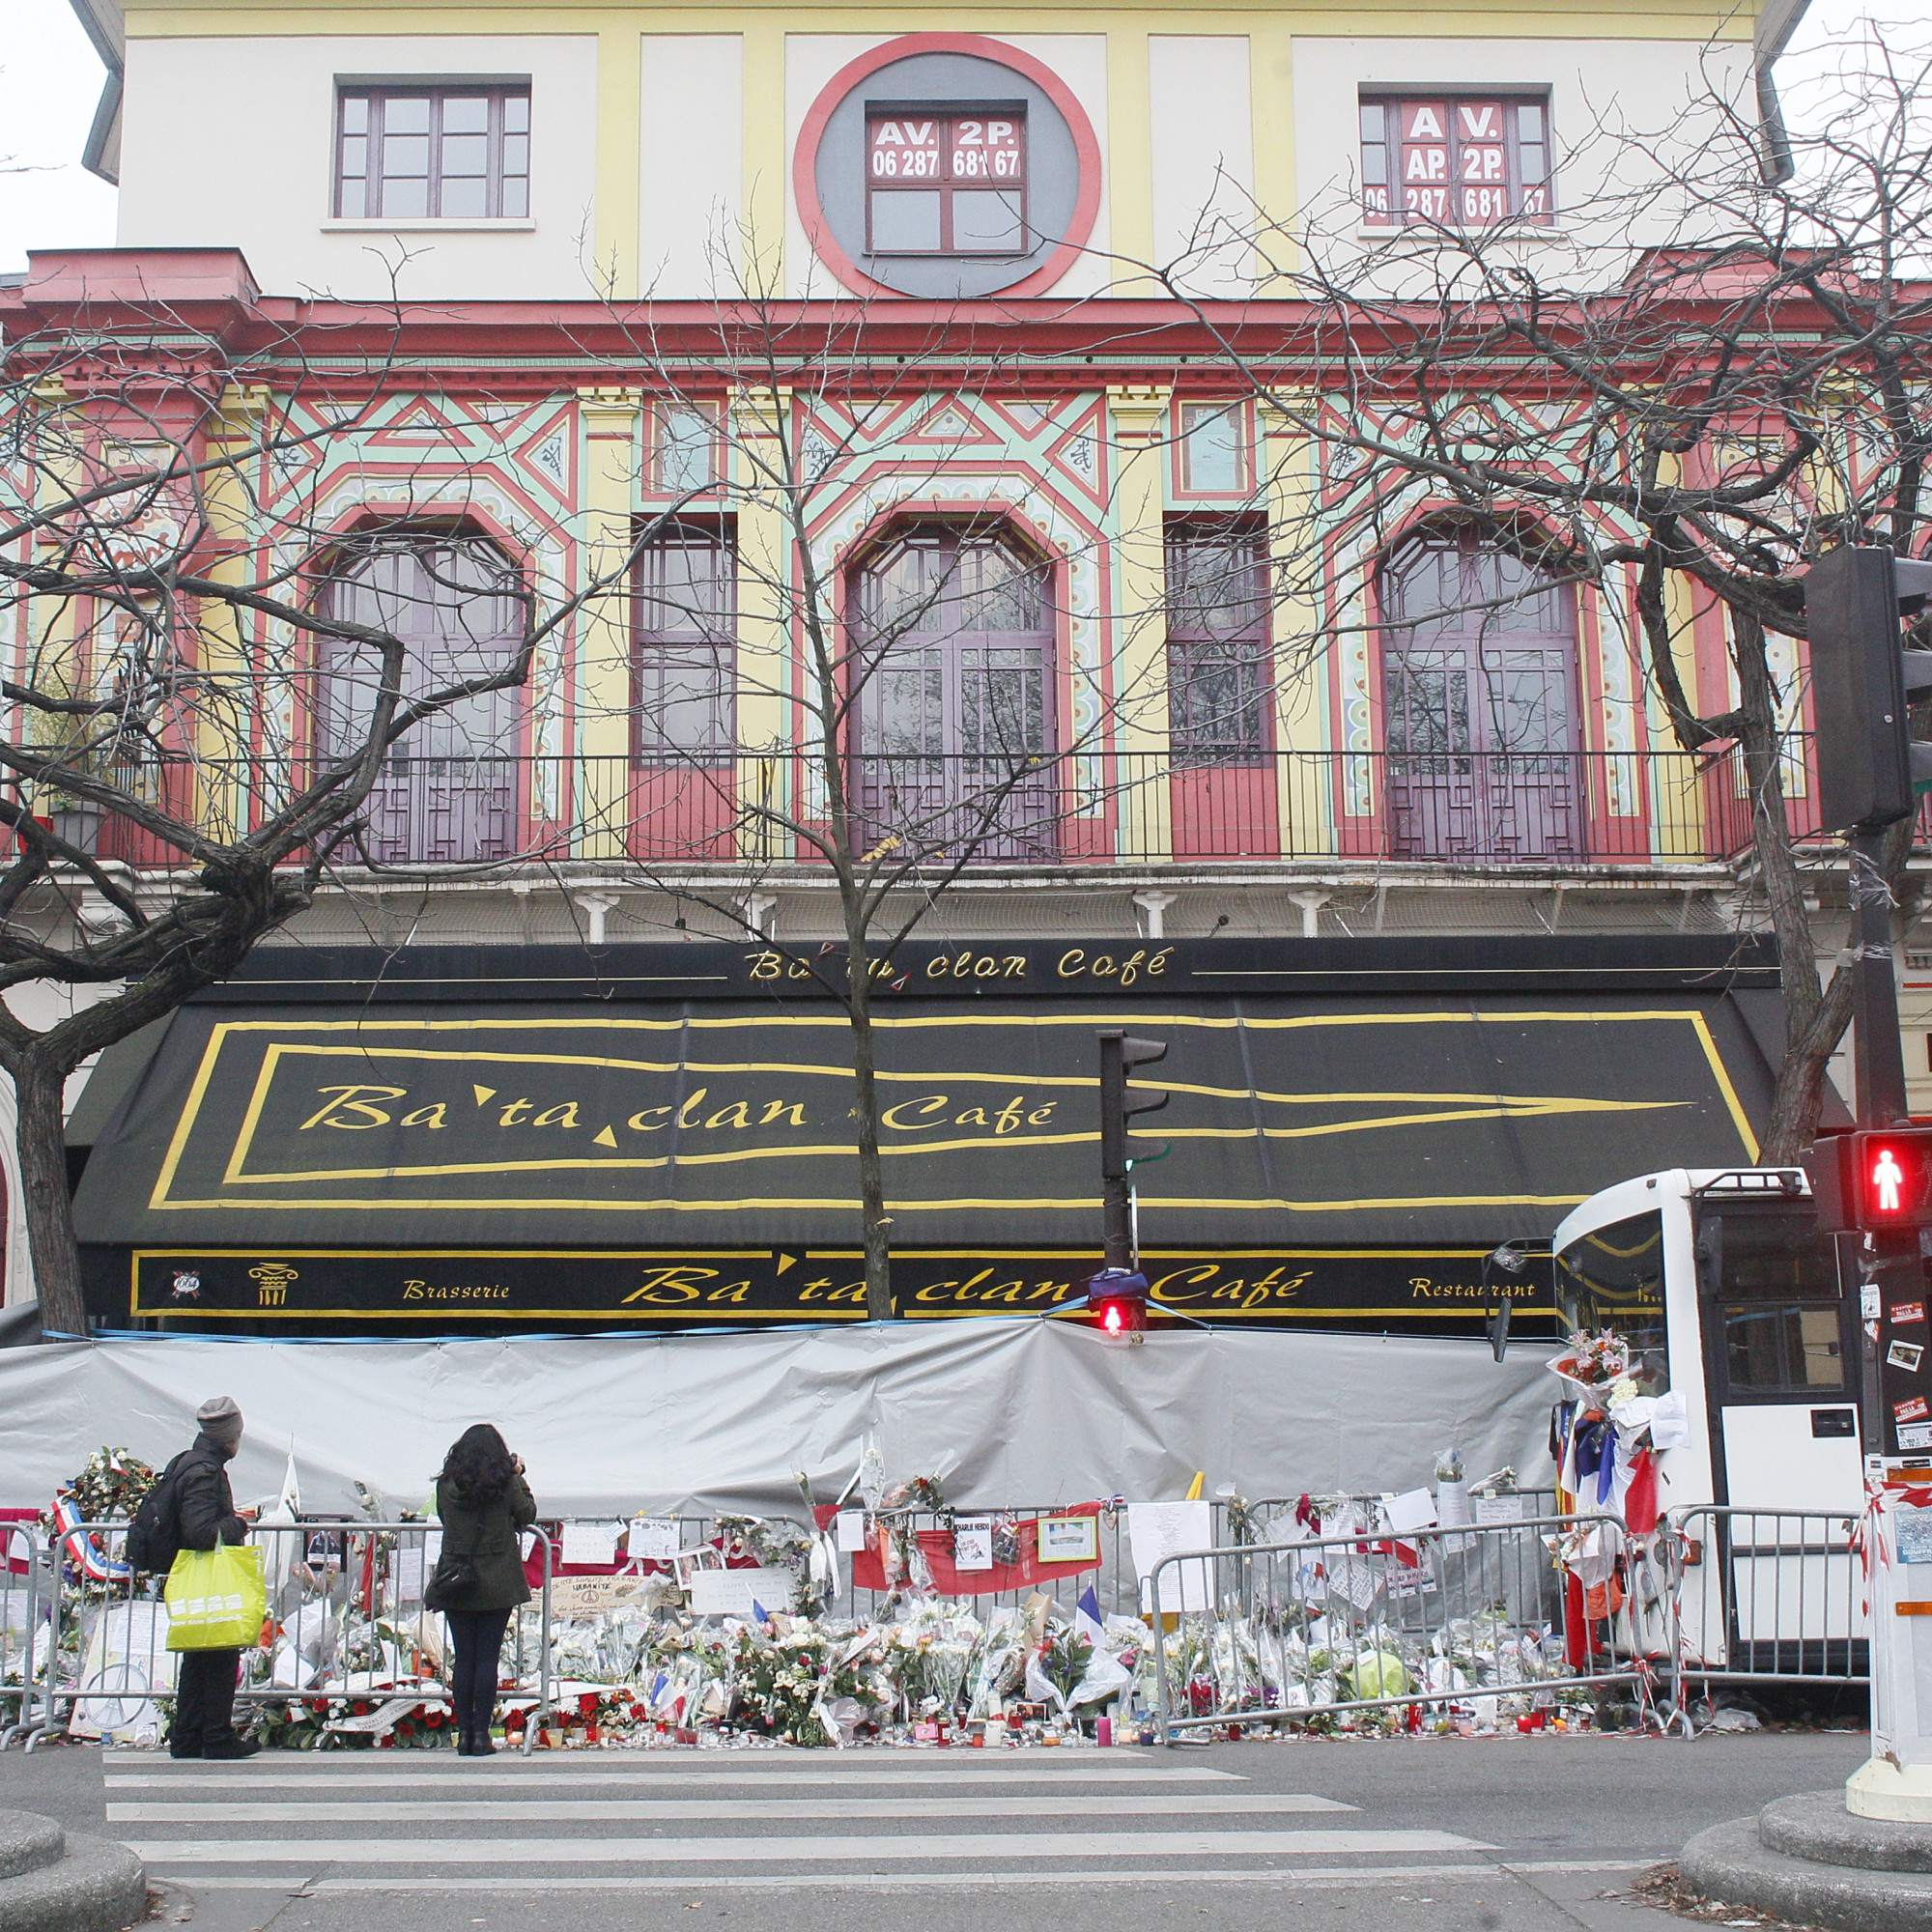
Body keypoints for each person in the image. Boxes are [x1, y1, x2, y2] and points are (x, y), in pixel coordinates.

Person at [435, 1424, 536, 1756]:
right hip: (497, 1577)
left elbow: (445, 1519)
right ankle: (481, 1736)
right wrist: (518, 1475)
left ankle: (464, 1735)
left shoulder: (446, 1485)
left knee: (464, 1658)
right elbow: (527, 1513)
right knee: (487, 1659)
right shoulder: (504, 1483)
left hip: (456, 1578)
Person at [171, 1396, 260, 1760]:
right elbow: (201, 1531)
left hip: (196, 1578)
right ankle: (217, 1736)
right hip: (211, 1579)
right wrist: (238, 1523)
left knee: (198, 1658)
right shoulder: (205, 1471)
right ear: (228, 1437)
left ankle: (187, 1737)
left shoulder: (189, 1462)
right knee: (221, 1656)